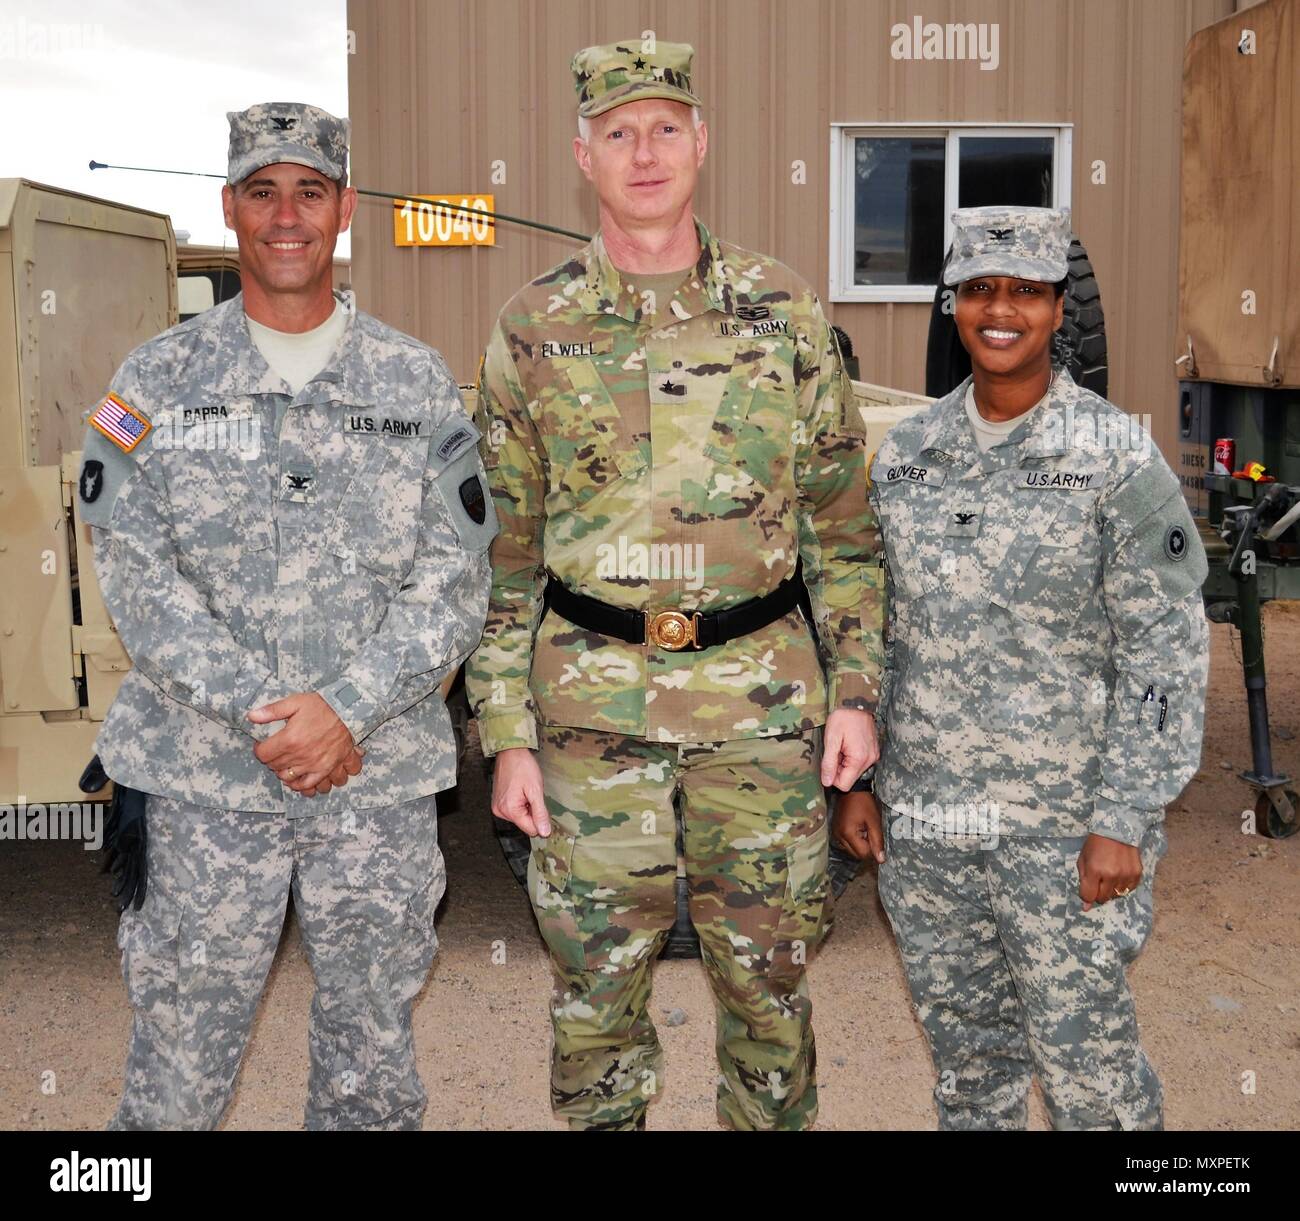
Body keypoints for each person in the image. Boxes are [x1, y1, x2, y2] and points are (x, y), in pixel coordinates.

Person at [466, 40, 882, 1130]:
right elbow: (504, 557)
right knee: (595, 997)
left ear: (700, 143)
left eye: (662, 128)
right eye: (617, 132)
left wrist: (855, 695)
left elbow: (843, 528)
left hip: (762, 713)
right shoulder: (528, 328)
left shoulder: (782, 314)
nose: (641, 153)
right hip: (588, 720)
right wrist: (505, 734)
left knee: (770, 989)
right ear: (581, 155)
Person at [78, 102, 496, 1130]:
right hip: (204, 782)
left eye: (309, 191)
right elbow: (134, 575)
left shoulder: (413, 381)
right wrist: (275, 715)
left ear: (345, 209)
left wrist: (344, 710)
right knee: (177, 1061)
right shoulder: (157, 381)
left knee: (371, 1061)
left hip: (375, 781)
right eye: (262, 191)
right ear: (230, 209)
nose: (286, 215)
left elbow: (456, 578)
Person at [835, 206, 1209, 1130]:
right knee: (969, 1070)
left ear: (1057, 309)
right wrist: (859, 783)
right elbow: (877, 630)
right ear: (952, 304)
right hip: (927, 829)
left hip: (1065, 833)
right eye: (980, 290)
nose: (1002, 311)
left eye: (1027, 292)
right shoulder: (910, 457)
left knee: (1093, 1081)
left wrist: (1124, 819)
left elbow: (1165, 650)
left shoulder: (1115, 455)